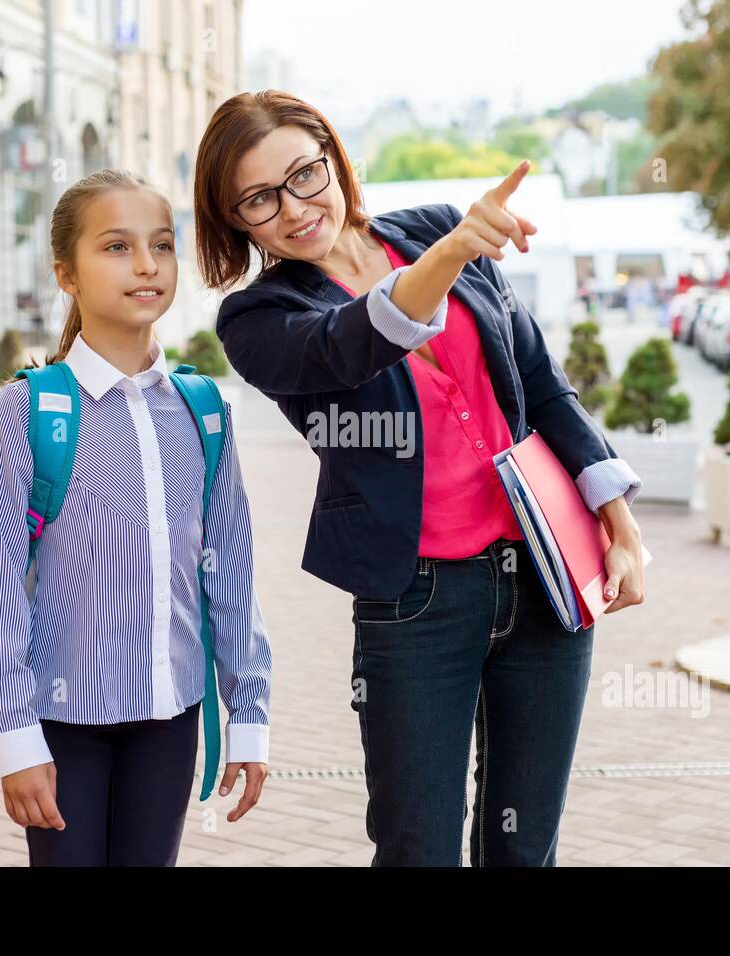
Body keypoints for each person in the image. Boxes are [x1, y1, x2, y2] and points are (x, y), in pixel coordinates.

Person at [192, 91, 646, 866]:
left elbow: (541, 382)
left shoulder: (436, 227)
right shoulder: (257, 320)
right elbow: (353, 342)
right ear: (235, 219)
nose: (295, 208)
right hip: (418, 599)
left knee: (525, 846)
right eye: (260, 199)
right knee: (417, 847)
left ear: (335, 158)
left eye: (306, 174)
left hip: (542, 572)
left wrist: (620, 524)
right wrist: (453, 255)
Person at [0, 168, 272, 866]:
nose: (145, 265)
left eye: (161, 246)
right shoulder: (32, 409)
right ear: (65, 274)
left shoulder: (203, 411)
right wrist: (13, 738)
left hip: (172, 717)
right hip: (62, 719)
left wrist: (248, 715)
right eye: (115, 247)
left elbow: (233, 575)